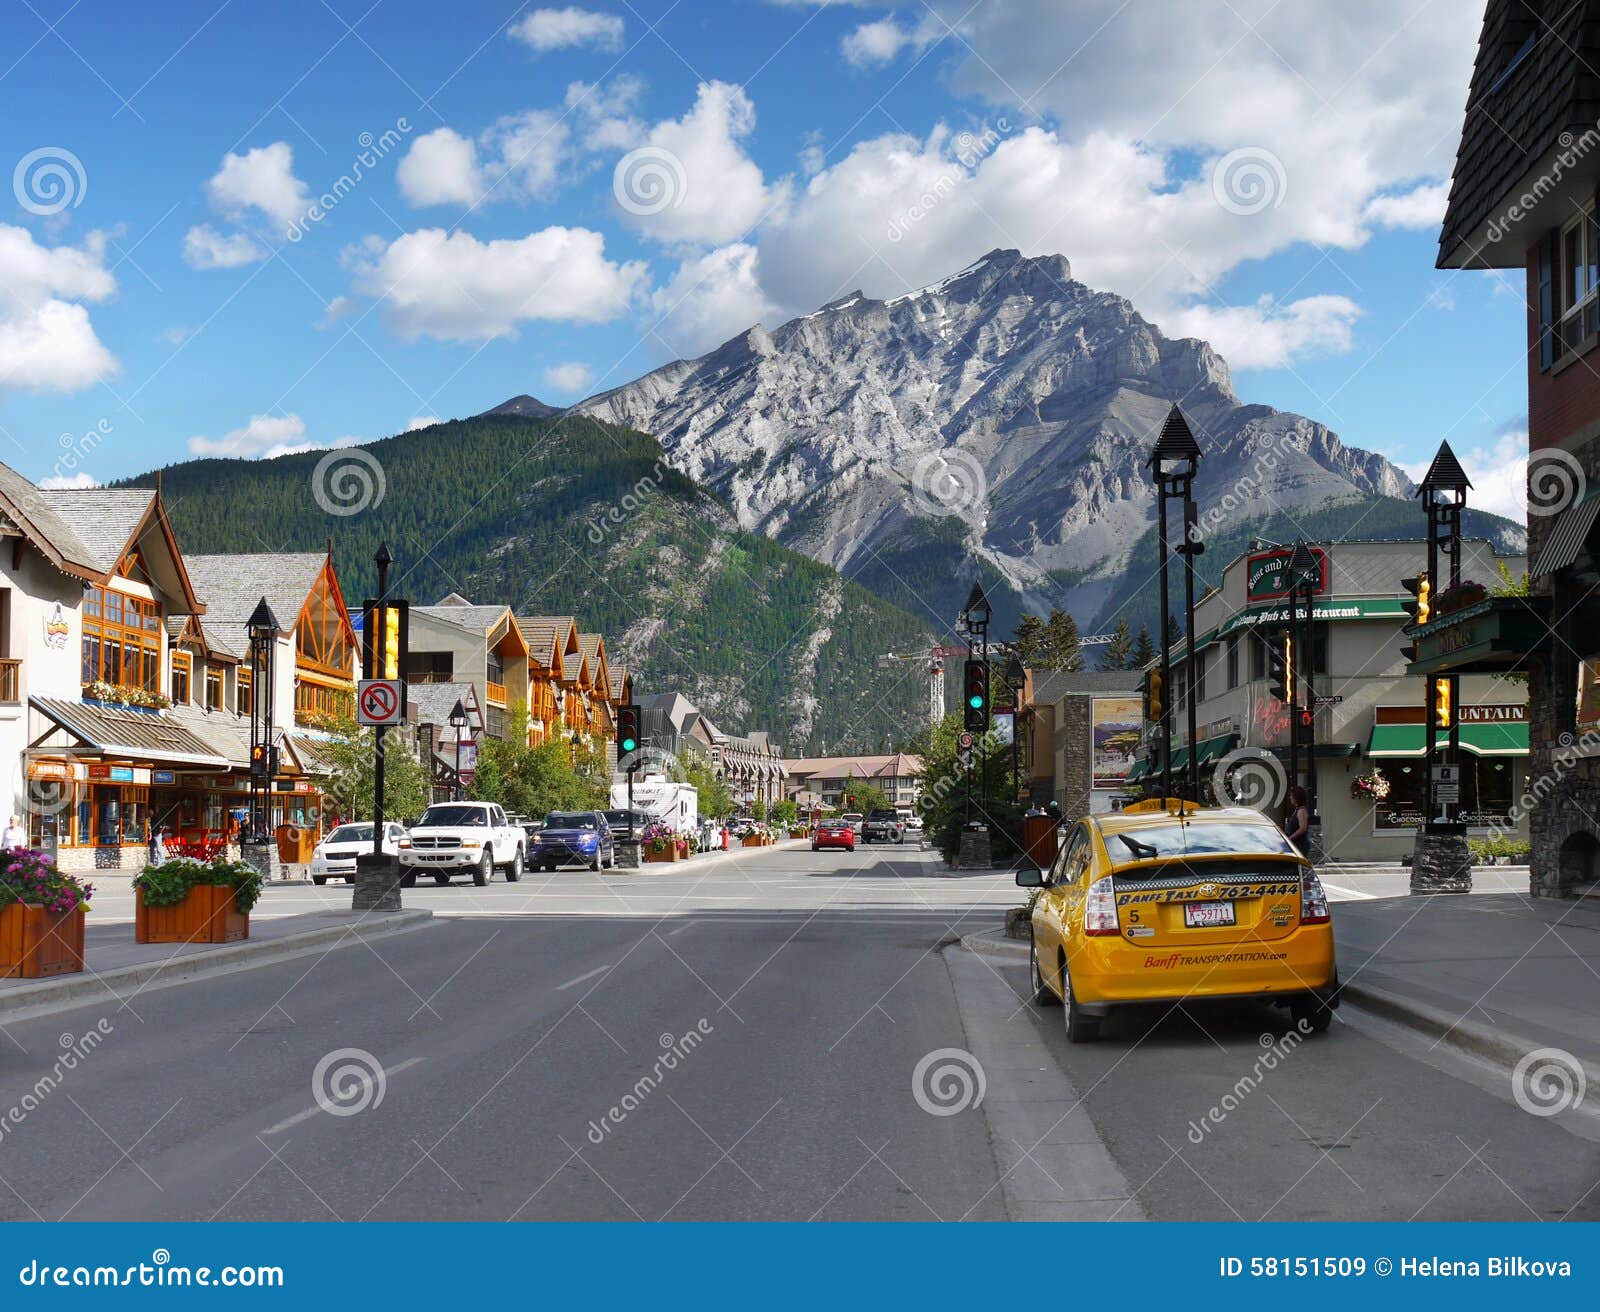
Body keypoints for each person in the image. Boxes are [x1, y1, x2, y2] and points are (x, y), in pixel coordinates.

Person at [1284, 786, 1311, 852]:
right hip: (1296, 844)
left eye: (1291, 796)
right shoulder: (1297, 810)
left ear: (1296, 797)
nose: (1290, 798)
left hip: (1300, 844)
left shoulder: (1301, 810)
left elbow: (1302, 828)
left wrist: (1290, 838)